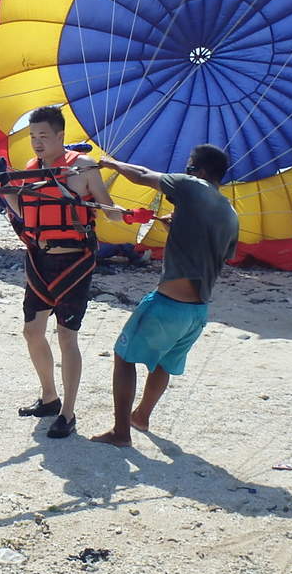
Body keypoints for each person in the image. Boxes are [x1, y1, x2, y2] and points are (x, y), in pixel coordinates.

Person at [91, 144, 239, 447]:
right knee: (164, 363)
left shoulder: (192, 185)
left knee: (123, 357)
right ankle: (141, 415)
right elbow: (212, 252)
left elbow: (144, 175)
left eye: (188, 167)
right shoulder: (230, 213)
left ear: (199, 171)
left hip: (168, 305)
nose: (184, 172)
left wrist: (111, 164)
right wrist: (181, 226)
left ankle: (121, 433)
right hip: (197, 313)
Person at [9, 106, 121, 439]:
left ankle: (68, 414)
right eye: (32, 137)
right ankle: (49, 397)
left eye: (43, 136)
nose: (37, 143)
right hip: (39, 259)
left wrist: (118, 210)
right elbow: (26, 214)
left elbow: (111, 214)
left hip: (73, 262)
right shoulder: (30, 170)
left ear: (61, 136)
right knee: (32, 331)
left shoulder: (84, 168)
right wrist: (5, 190)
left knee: (66, 337)